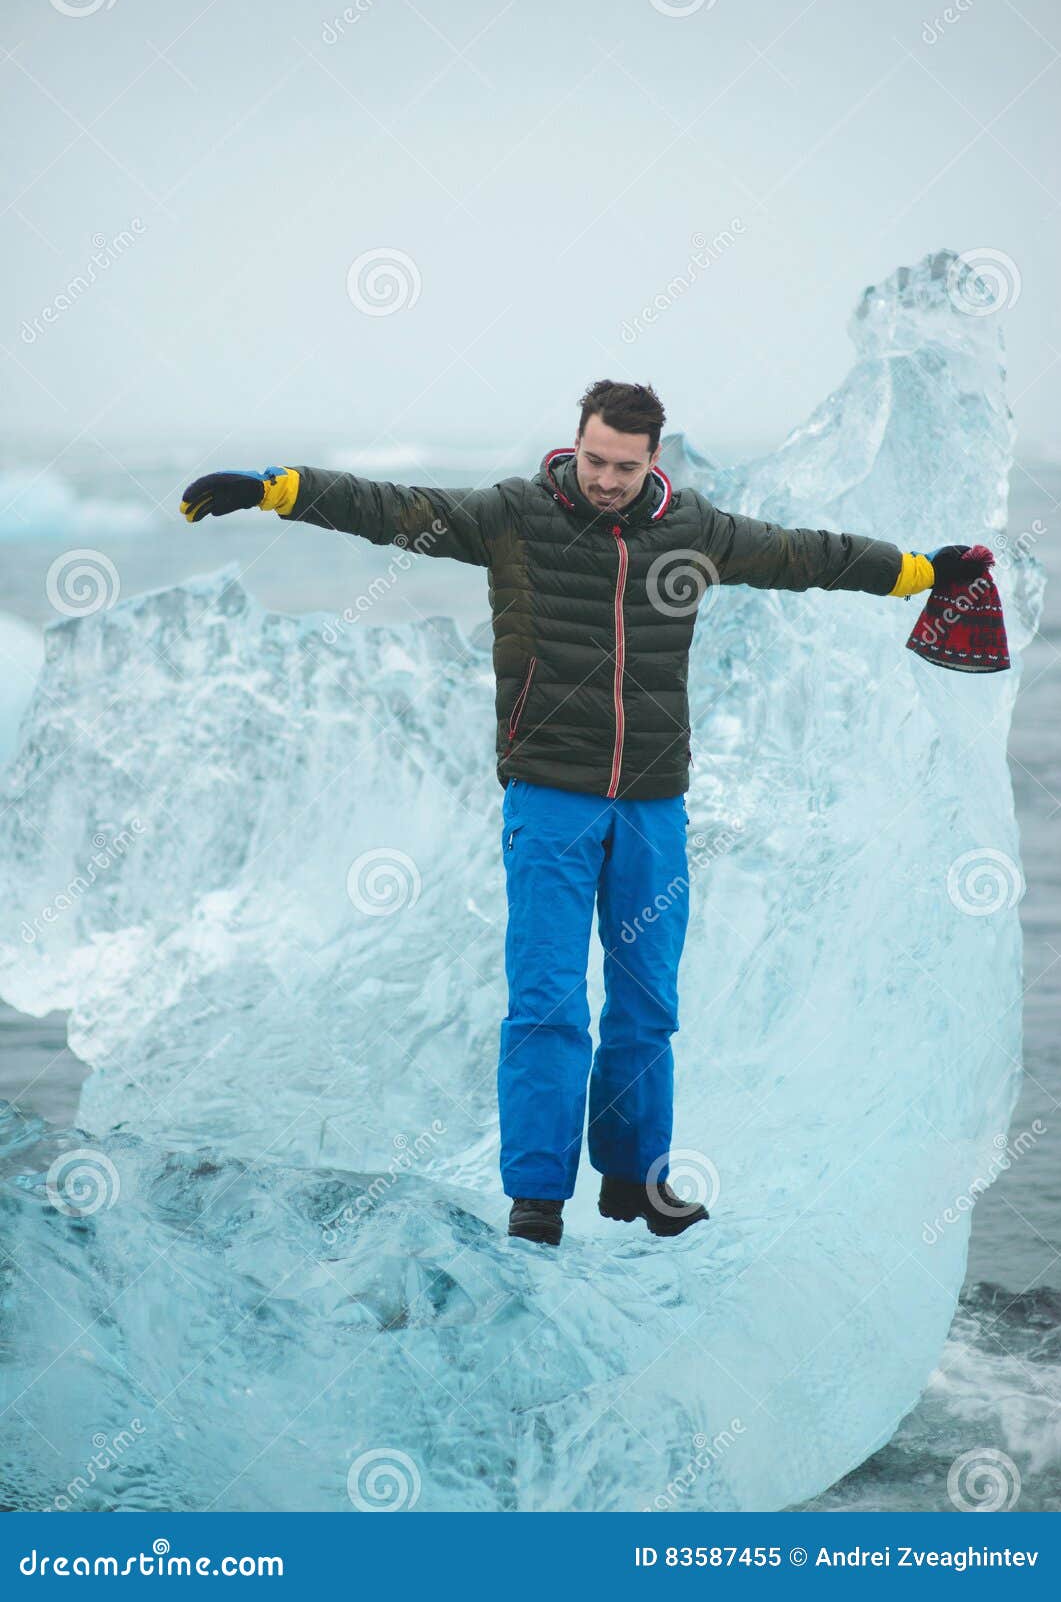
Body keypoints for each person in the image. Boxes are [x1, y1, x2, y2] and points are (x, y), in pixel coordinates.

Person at [181, 379, 986, 1248]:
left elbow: (804, 556)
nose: (607, 479)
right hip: (550, 798)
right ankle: (537, 1196)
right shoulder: (512, 516)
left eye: (625, 466)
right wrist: (275, 489)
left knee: (647, 1005)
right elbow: (392, 506)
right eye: (596, 460)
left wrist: (919, 573)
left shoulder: (695, 532)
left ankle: (637, 1181)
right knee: (547, 1002)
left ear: (653, 461)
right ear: (577, 443)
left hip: (652, 804)